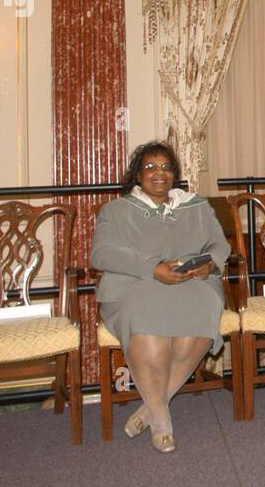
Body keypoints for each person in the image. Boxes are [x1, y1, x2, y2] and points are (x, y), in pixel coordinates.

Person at [90, 141, 231, 452]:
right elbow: (101, 254)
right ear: (138, 175)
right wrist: (153, 269)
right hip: (135, 283)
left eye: (167, 167)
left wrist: (207, 265)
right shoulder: (115, 211)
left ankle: (151, 408)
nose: (160, 173)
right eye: (151, 167)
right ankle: (162, 422)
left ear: (175, 175)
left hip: (193, 283)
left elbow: (220, 247)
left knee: (200, 315)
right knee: (150, 331)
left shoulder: (197, 206)